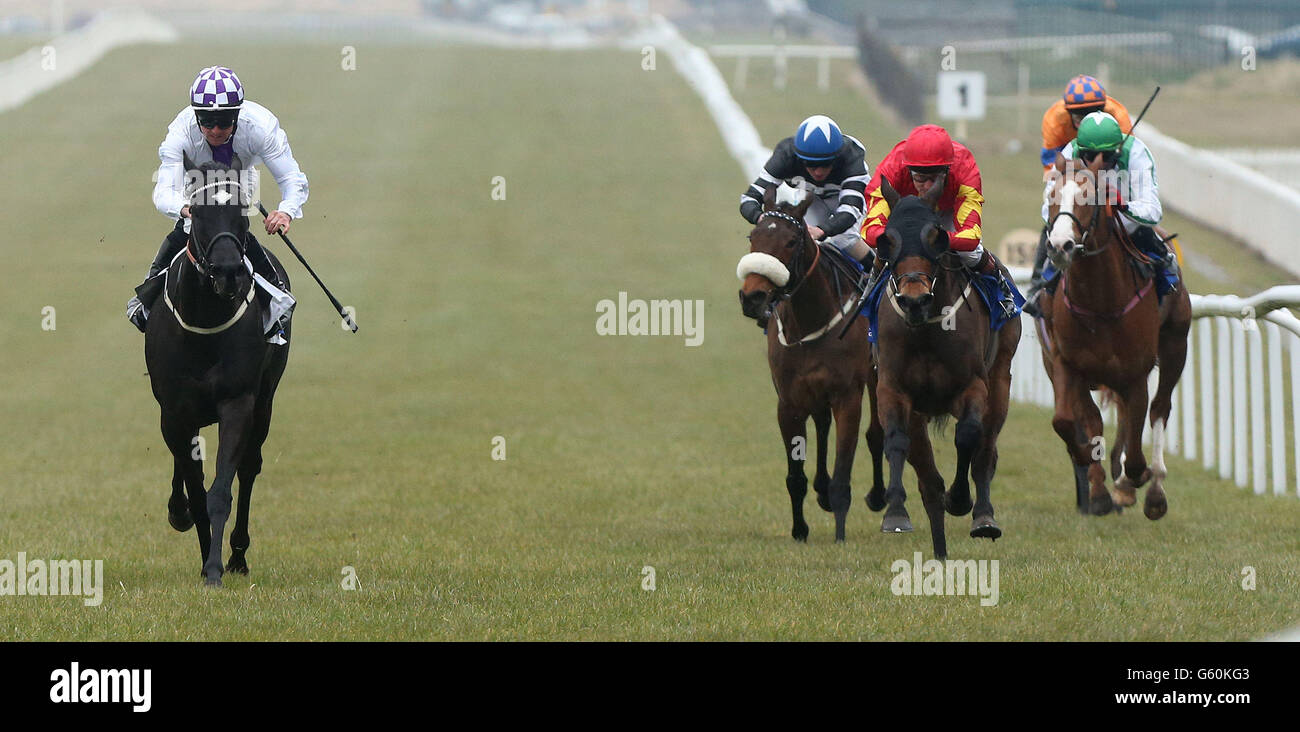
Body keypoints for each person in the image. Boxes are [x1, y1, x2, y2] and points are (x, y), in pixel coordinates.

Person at [126, 66, 309, 334]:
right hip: (197, 179)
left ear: (237, 115)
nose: (215, 130)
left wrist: (286, 212)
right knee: (192, 228)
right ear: (196, 116)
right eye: (207, 122)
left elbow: (292, 178)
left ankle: (276, 300)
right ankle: (146, 296)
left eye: (224, 121)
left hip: (240, 176)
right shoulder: (181, 133)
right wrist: (185, 209)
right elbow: (164, 191)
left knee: (232, 226)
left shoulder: (258, 128)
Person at [859, 123, 1018, 317]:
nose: (927, 185)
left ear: (947, 170)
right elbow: (870, 230)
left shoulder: (965, 167)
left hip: (947, 210)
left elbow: (971, 236)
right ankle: (868, 291)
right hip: (906, 214)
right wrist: (903, 238)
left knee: (971, 254)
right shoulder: (891, 168)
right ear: (908, 170)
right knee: (884, 250)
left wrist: (934, 238)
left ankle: (1001, 292)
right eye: (920, 178)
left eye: (934, 179)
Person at [1031, 111, 1177, 312]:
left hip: (1127, 225)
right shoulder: (1069, 153)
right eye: (1088, 156)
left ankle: (1167, 286)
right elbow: (1049, 206)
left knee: (1156, 248)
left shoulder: (1136, 153)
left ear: (1118, 150)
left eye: (1106, 156)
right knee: (1050, 251)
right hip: (1081, 229)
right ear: (1080, 150)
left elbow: (1153, 211)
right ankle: (1038, 292)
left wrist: (1123, 205)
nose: (1096, 162)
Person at [1024, 75, 1132, 314]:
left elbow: (1123, 162)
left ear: (1104, 109)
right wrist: (1076, 182)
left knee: (1129, 218)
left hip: (1107, 166)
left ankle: (1163, 269)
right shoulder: (1054, 120)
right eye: (1080, 117)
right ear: (1068, 113)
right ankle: (1038, 284)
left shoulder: (1119, 118)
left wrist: (1101, 186)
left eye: (1093, 113)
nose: (1087, 121)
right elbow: (1052, 166)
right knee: (1059, 218)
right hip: (1067, 167)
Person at [740, 115, 873, 265]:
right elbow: (749, 198)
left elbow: (850, 210)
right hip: (811, 197)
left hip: (844, 195)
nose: (818, 172)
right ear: (798, 157)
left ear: (837, 157)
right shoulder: (785, 156)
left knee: (844, 238)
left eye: (826, 164)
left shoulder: (851, 156)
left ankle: (879, 274)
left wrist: (822, 230)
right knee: (800, 240)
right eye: (810, 164)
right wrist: (761, 218)